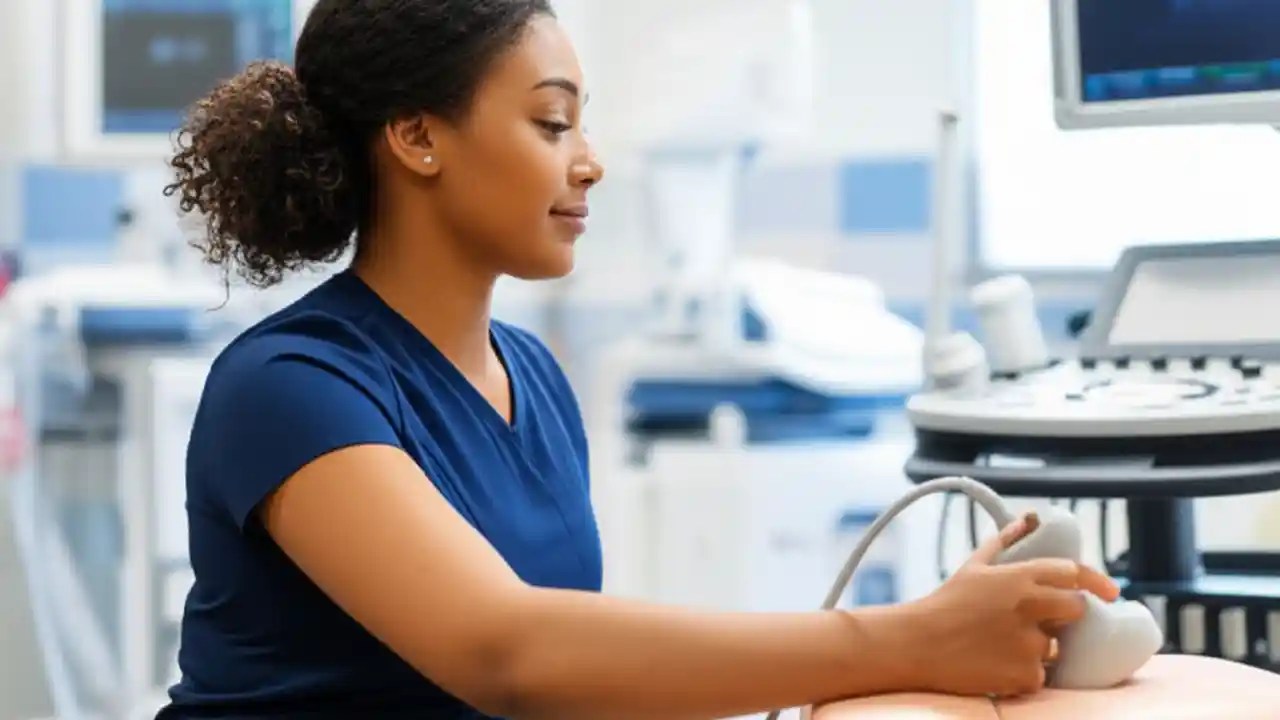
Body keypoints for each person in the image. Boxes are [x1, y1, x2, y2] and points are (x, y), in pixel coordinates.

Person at [156, 1, 1121, 718]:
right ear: (416, 137)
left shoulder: (529, 376)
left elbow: (581, 666)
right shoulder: (290, 387)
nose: (590, 161)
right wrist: (909, 639)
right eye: (551, 122)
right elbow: (507, 652)